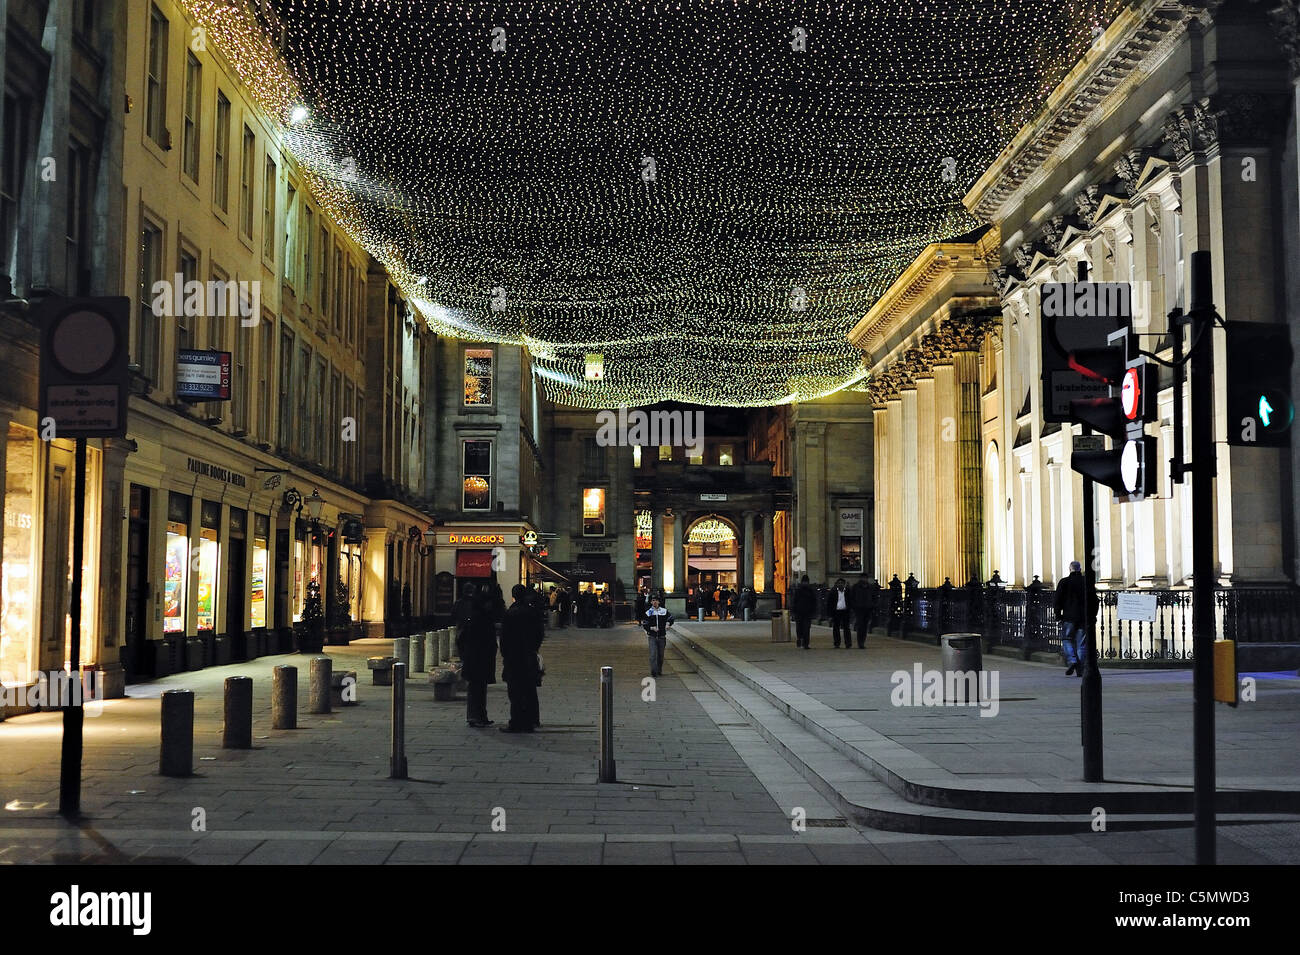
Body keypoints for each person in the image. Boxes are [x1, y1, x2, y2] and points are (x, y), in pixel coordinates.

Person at [499, 584, 543, 732]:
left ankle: (517, 722)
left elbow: (504, 637)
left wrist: (505, 654)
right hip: (528, 655)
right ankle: (531, 720)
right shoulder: (532, 612)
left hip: (514, 657)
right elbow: (539, 633)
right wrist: (534, 648)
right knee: (529, 688)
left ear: (513, 596)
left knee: (515, 691)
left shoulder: (510, 613)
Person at [457, 587, 498, 727]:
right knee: (476, 689)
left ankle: (480, 716)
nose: (490, 605)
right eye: (488, 603)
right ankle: (475, 716)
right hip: (477, 659)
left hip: (476, 659)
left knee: (478, 689)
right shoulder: (479, 619)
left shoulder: (479, 617)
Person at [1054, 560, 1094, 676]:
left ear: (1069, 569)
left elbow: (1057, 600)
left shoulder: (1064, 582)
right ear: (1080, 569)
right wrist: (1092, 615)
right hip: (1083, 617)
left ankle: (1072, 660)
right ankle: (1080, 668)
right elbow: (1093, 600)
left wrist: (1058, 614)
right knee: (1081, 644)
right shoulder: (1085, 581)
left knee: (1067, 639)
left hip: (1068, 617)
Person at [643, 595, 674, 677]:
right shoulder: (648, 612)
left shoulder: (664, 611)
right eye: (653, 600)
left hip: (661, 636)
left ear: (659, 602)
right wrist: (651, 628)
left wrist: (668, 624)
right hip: (652, 636)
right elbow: (645, 624)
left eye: (656, 600)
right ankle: (654, 671)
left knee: (660, 655)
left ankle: (659, 669)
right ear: (651, 602)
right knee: (653, 654)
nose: (655, 602)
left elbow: (670, 618)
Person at [791, 575, 816, 649]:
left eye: (806, 582)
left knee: (806, 628)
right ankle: (800, 640)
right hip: (799, 612)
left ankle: (805, 643)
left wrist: (813, 611)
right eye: (804, 582)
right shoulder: (798, 591)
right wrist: (794, 611)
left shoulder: (810, 591)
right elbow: (794, 602)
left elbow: (814, 602)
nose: (805, 583)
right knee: (799, 628)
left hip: (807, 613)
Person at [850, 575, 876, 649]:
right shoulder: (855, 587)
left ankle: (862, 641)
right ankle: (860, 642)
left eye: (865, 578)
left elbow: (874, 597)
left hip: (868, 609)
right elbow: (852, 597)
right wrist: (855, 606)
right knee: (860, 625)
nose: (864, 579)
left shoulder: (870, 587)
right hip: (859, 609)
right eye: (863, 578)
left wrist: (872, 605)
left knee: (865, 626)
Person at [830, 578, 851, 648]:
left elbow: (851, 601)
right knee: (836, 628)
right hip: (836, 611)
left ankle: (848, 643)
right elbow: (830, 603)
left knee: (846, 628)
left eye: (841, 583)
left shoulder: (848, 591)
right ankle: (837, 643)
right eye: (839, 583)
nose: (840, 584)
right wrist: (830, 613)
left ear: (844, 584)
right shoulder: (833, 592)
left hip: (845, 611)